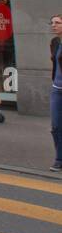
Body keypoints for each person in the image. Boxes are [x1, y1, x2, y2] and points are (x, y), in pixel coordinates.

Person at [50, 13, 62, 173]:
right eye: (52, 22)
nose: (54, 25)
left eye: (58, 22)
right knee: (56, 126)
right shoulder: (54, 43)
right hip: (57, 89)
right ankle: (59, 158)